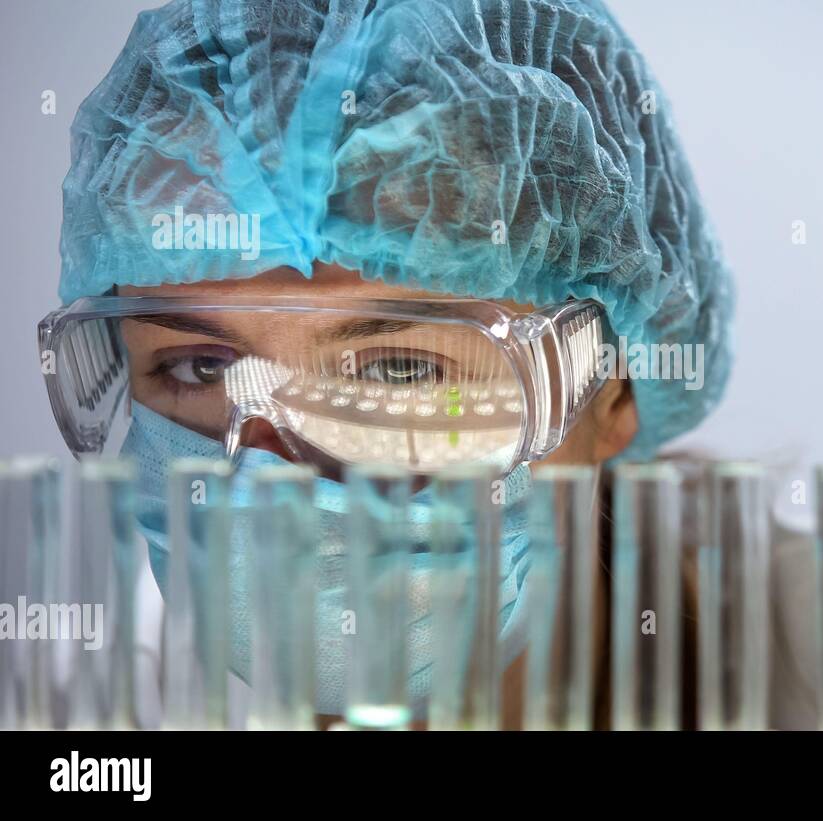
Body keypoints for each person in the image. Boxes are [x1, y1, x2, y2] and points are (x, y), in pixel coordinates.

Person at [44, 0, 737, 728]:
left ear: (612, 387)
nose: (266, 480)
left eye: (397, 370)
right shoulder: (96, 716)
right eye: (201, 369)